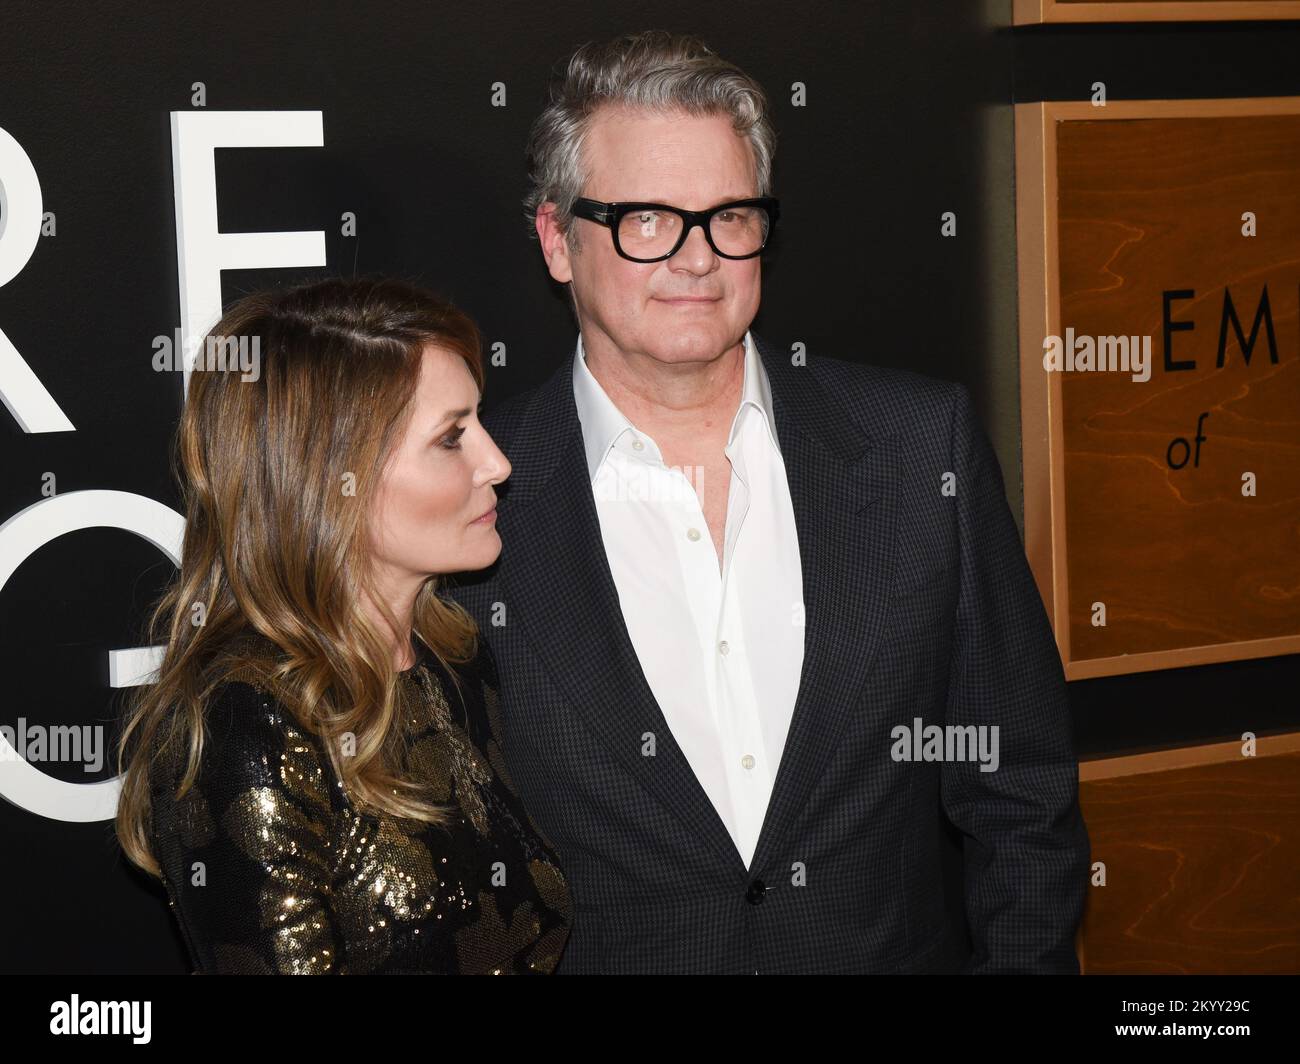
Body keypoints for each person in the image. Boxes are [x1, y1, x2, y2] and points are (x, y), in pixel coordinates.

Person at [441, 30, 1091, 973]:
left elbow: (1021, 787)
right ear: (556, 241)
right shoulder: (473, 496)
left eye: (730, 217)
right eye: (647, 220)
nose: (698, 259)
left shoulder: (917, 450)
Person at [115, 276, 570, 974]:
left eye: (478, 422)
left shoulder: (453, 659)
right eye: (452, 438)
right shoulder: (245, 726)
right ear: (333, 479)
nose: (498, 464)